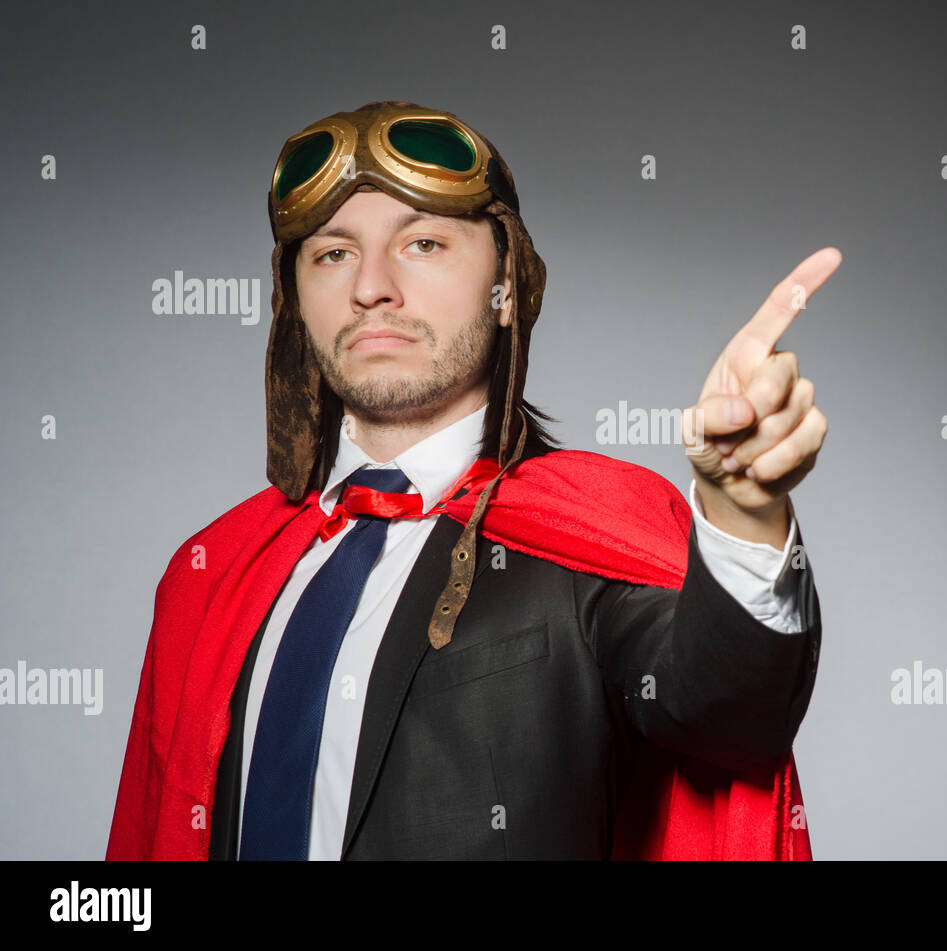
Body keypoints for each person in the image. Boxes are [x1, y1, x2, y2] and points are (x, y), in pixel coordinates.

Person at [106, 101, 837, 860]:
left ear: (510, 288)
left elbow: (731, 712)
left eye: (423, 243)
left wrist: (742, 508)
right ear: (293, 300)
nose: (371, 288)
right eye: (332, 254)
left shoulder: (593, 533)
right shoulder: (213, 575)